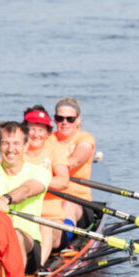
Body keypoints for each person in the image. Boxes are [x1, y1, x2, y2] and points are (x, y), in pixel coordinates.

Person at [0, 120, 51, 275]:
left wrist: (6, 199)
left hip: (29, 247)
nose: (10, 149)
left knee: (15, 234)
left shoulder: (40, 172)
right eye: (5, 143)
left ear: (26, 146)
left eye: (16, 143)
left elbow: (27, 190)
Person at [19, 104, 72, 263]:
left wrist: (36, 183)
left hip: (52, 219)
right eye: (32, 129)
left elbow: (63, 181)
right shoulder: (15, 151)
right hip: (22, 217)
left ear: (47, 133)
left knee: (45, 225)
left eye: (41, 130)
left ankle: (38, 268)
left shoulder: (55, 149)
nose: (36, 134)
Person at [49, 97, 96, 227]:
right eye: (60, 118)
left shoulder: (84, 139)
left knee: (68, 205)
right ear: (54, 119)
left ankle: (65, 236)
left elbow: (77, 159)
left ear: (78, 120)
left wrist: (52, 169)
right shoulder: (48, 140)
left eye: (70, 119)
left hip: (78, 201)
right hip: (50, 198)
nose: (65, 122)